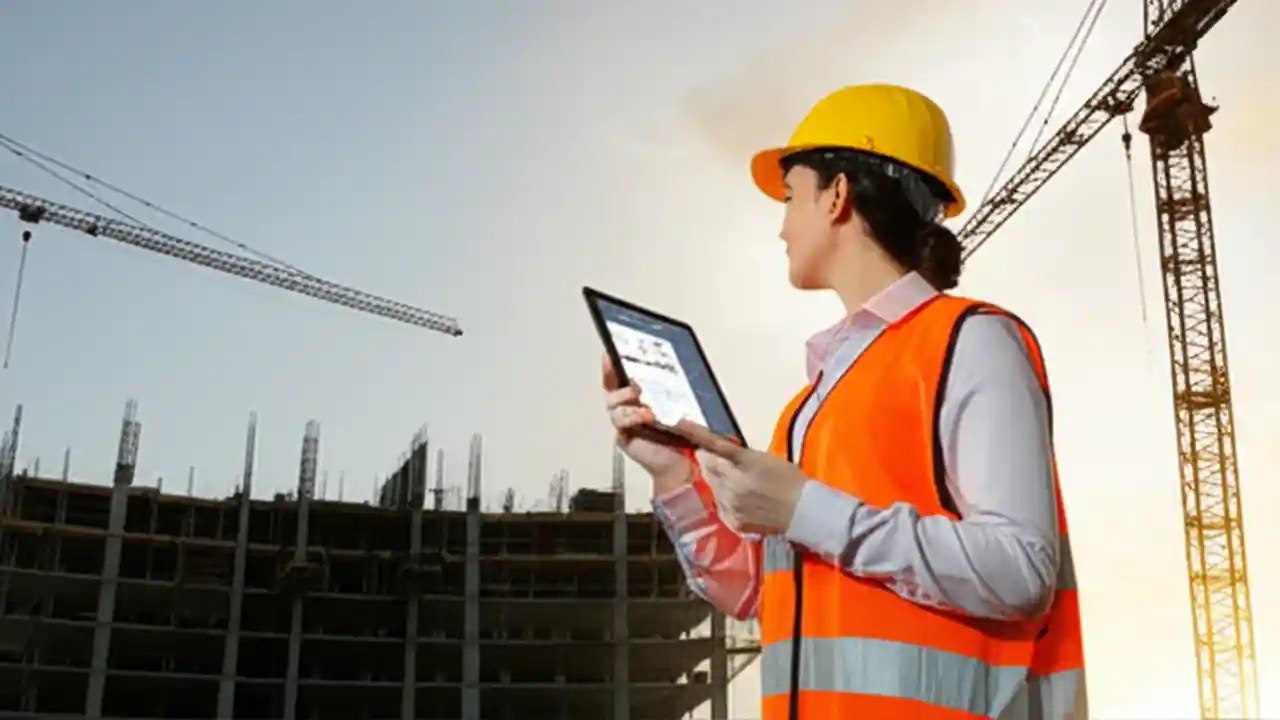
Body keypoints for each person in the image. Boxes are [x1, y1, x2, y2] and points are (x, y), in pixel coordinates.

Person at [601, 84, 1086, 720]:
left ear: (837, 196)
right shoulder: (813, 404)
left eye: (789, 197)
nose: (780, 226)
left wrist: (808, 508)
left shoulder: (973, 340)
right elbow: (759, 592)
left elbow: (1021, 571)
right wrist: (672, 475)